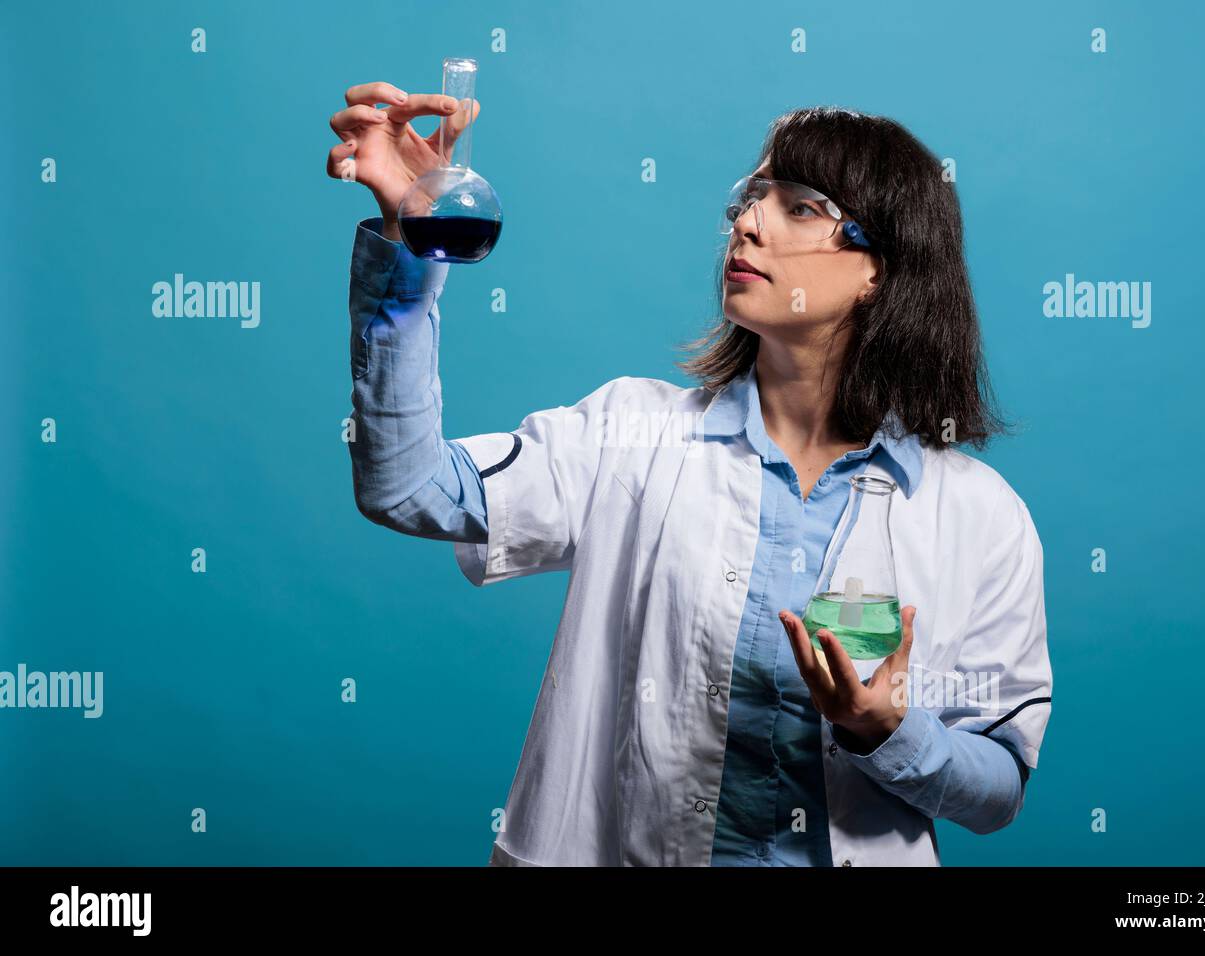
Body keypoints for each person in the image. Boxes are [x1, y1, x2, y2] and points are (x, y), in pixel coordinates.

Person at [325, 82, 1053, 867]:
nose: (747, 222)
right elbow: (408, 487)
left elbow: (999, 786)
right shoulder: (630, 435)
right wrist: (411, 243)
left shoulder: (982, 517)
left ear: (880, 268)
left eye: (799, 207)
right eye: (752, 198)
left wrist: (886, 730)